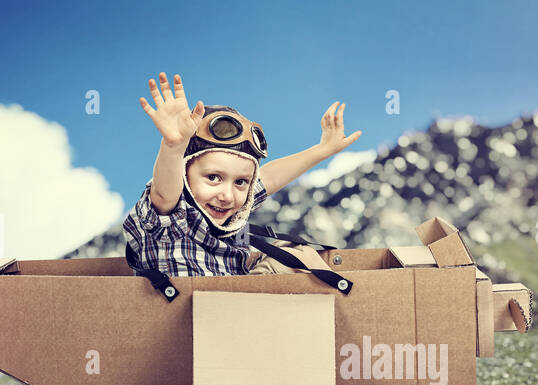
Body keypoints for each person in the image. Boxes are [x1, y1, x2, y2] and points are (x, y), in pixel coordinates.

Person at [123, 72, 361, 279]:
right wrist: (173, 147)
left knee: (298, 254)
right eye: (213, 178)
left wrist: (323, 150)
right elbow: (164, 194)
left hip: (240, 314)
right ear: (184, 173)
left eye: (240, 182)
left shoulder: (234, 209)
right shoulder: (172, 220)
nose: (227, 195)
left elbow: (269, 177)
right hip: (190, 321)